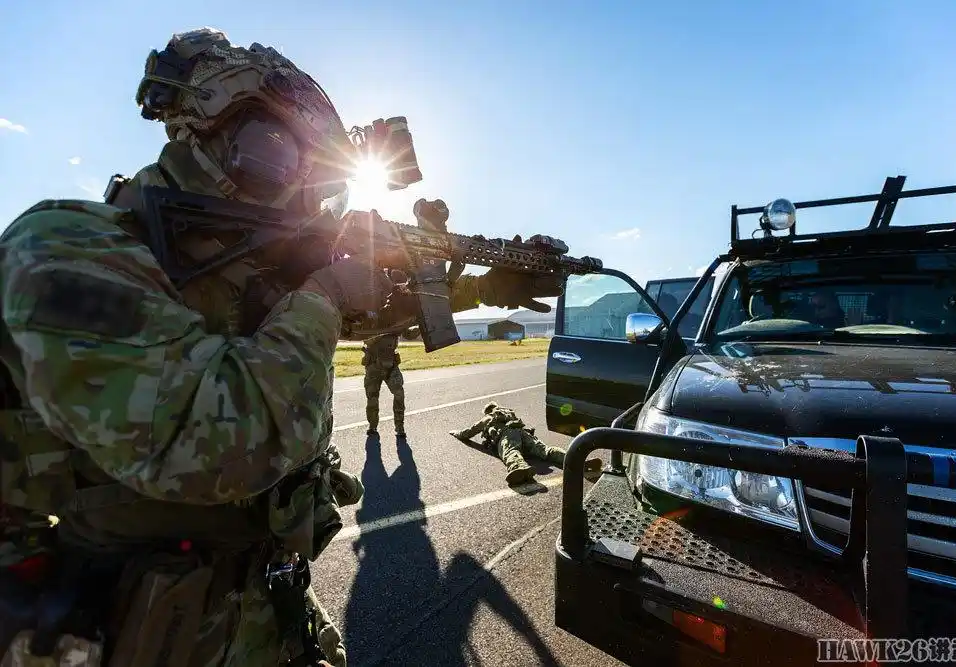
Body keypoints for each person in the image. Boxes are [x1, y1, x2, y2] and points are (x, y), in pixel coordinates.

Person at [0, 28, 563, 667]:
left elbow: (350, 314)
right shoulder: (70, 251)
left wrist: (484, 286)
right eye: (279, 158)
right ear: (210, 138)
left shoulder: (241, 268)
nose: (302, 193)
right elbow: (209, 443)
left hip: (259, 595)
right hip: (121, 621)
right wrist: (323, 293)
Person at [449, 402, 603, 485]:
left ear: (488, 411)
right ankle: (576, 460)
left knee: (511, 452)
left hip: (508, 435)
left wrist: (457, 433)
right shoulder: (510, 414)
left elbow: (469, 432)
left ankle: (520, 468)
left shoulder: (490, 418)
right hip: (524, 433)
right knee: (546, 451)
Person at [362, 333, 405, 438]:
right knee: (372, 398)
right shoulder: (371, 320)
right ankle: (372, 426)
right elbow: (367, 339)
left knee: (399, 393)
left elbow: (409, 334)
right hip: (373, 366)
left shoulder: (398, 321)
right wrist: (383, 331)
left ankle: (400, 427)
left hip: (391, 365)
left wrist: (418, 325)